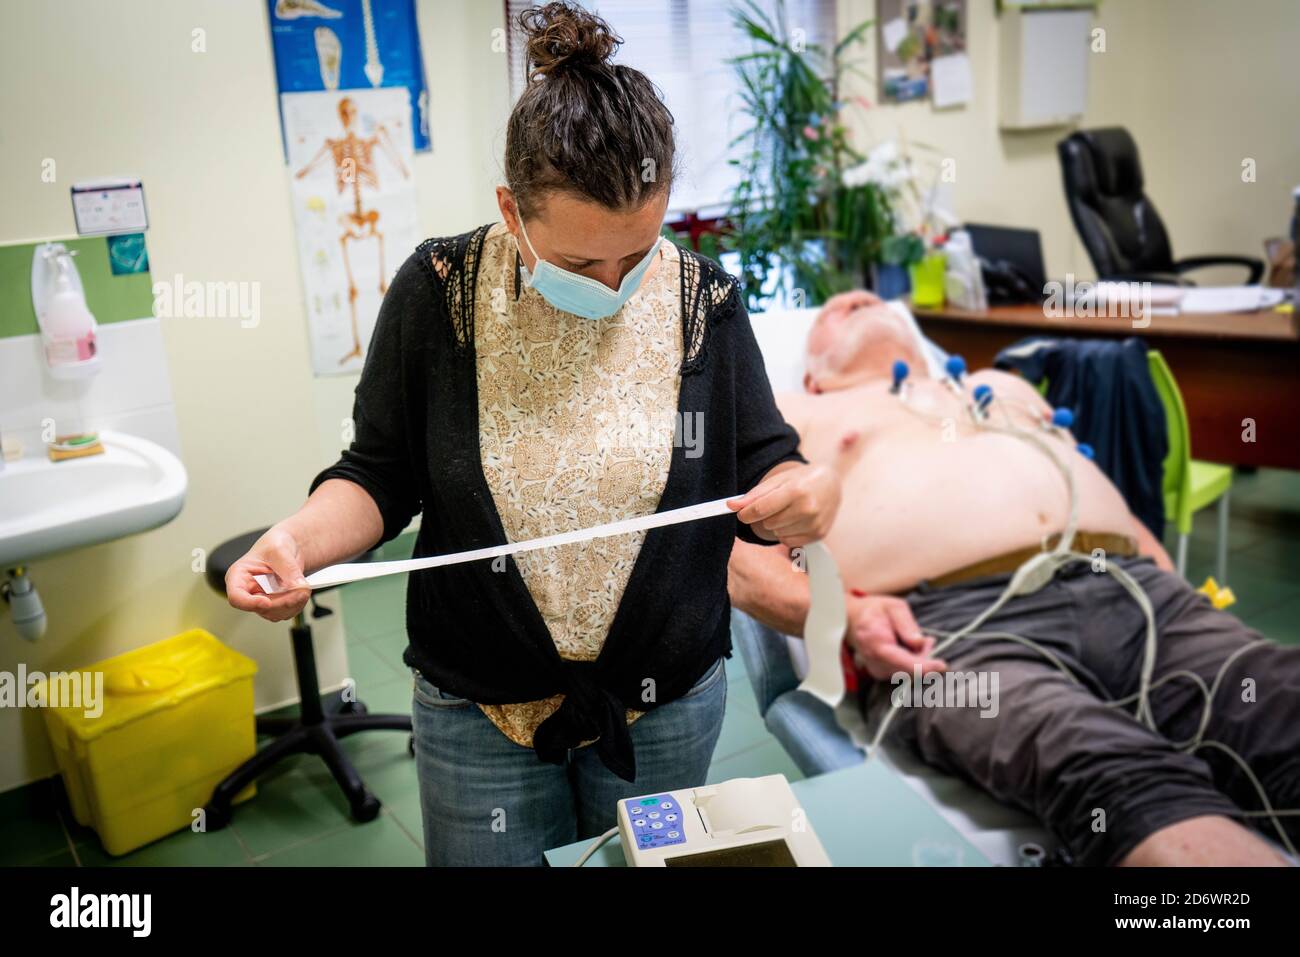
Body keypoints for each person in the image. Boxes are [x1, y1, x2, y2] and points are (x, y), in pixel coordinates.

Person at [224, 2, 840, 866]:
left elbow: (765, 461)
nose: (618, 281)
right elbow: (377, 473)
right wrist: (294, 541)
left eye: (639, 249)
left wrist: (803, 493)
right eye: (585, 263)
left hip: (663, 700)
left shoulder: (705, 299)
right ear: (513, 213)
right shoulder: (440, 293)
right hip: (481, 709)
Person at [729, 290, 1299, 866]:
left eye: (870, 301)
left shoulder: (1003, 387)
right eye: (835, 309)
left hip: (1135, 592)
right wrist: (847, 619)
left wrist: (1182, 600)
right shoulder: (788, 413)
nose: (856, 300)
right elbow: (732, 559)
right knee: (1106, 770)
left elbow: (1112, 504)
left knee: (1279, 701)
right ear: (813, 367)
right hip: (949, 634)